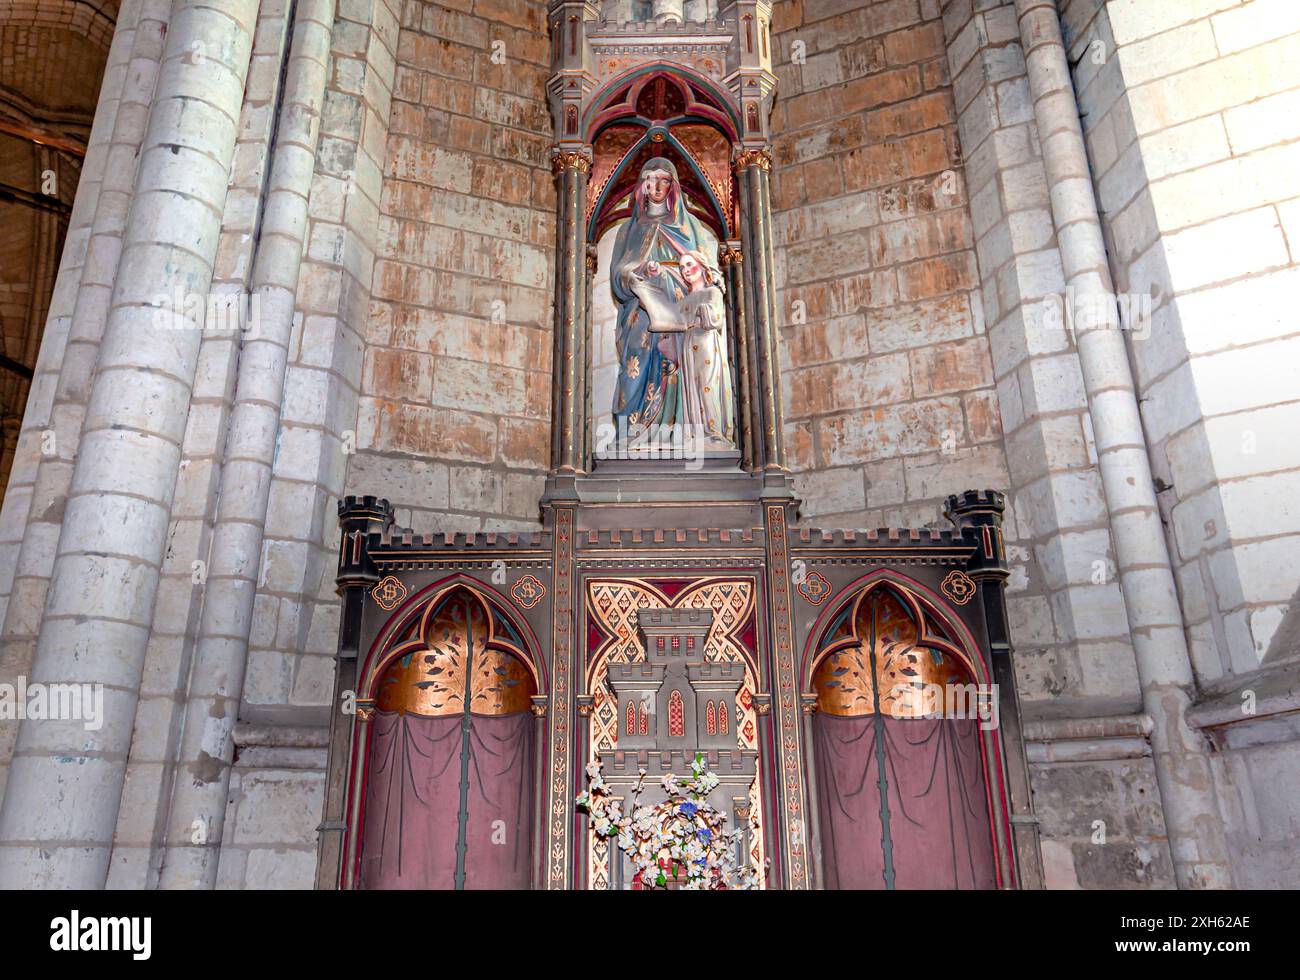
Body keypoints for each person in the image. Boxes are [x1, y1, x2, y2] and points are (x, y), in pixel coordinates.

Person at [609, 157, 724, 447]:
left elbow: (706, 269)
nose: (657, 185)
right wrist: (637, 273)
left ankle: (685, 433)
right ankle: (633, 432)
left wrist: (703, 279)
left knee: (683, 365)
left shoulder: (691, 226)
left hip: (682, 310)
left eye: (663, 179)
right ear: (643, 186)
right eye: (650, 178)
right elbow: (617, 276)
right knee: (638, 364)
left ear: (672, 186)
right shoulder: (628, 230)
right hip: (644, 311)